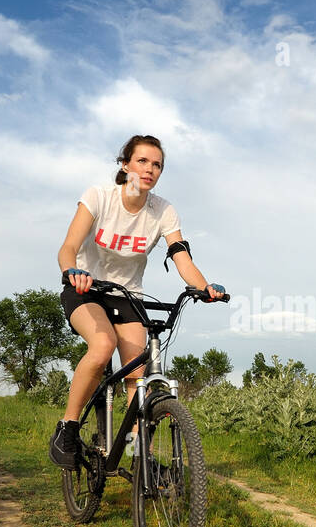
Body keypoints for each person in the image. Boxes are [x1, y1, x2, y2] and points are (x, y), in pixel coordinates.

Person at [50, 134, 224, 468]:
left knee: (137, 377)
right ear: (126, 164)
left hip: (127, 295)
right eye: (142, 161)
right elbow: (68, 246)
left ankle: (136, 455)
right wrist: (72, 270)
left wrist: (204, 287)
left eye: (157, 164)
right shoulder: (99, 197)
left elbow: (181, 257)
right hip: (85, 288)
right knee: (102, 346)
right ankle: (67, 428)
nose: (149, 169)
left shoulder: (163, 211)